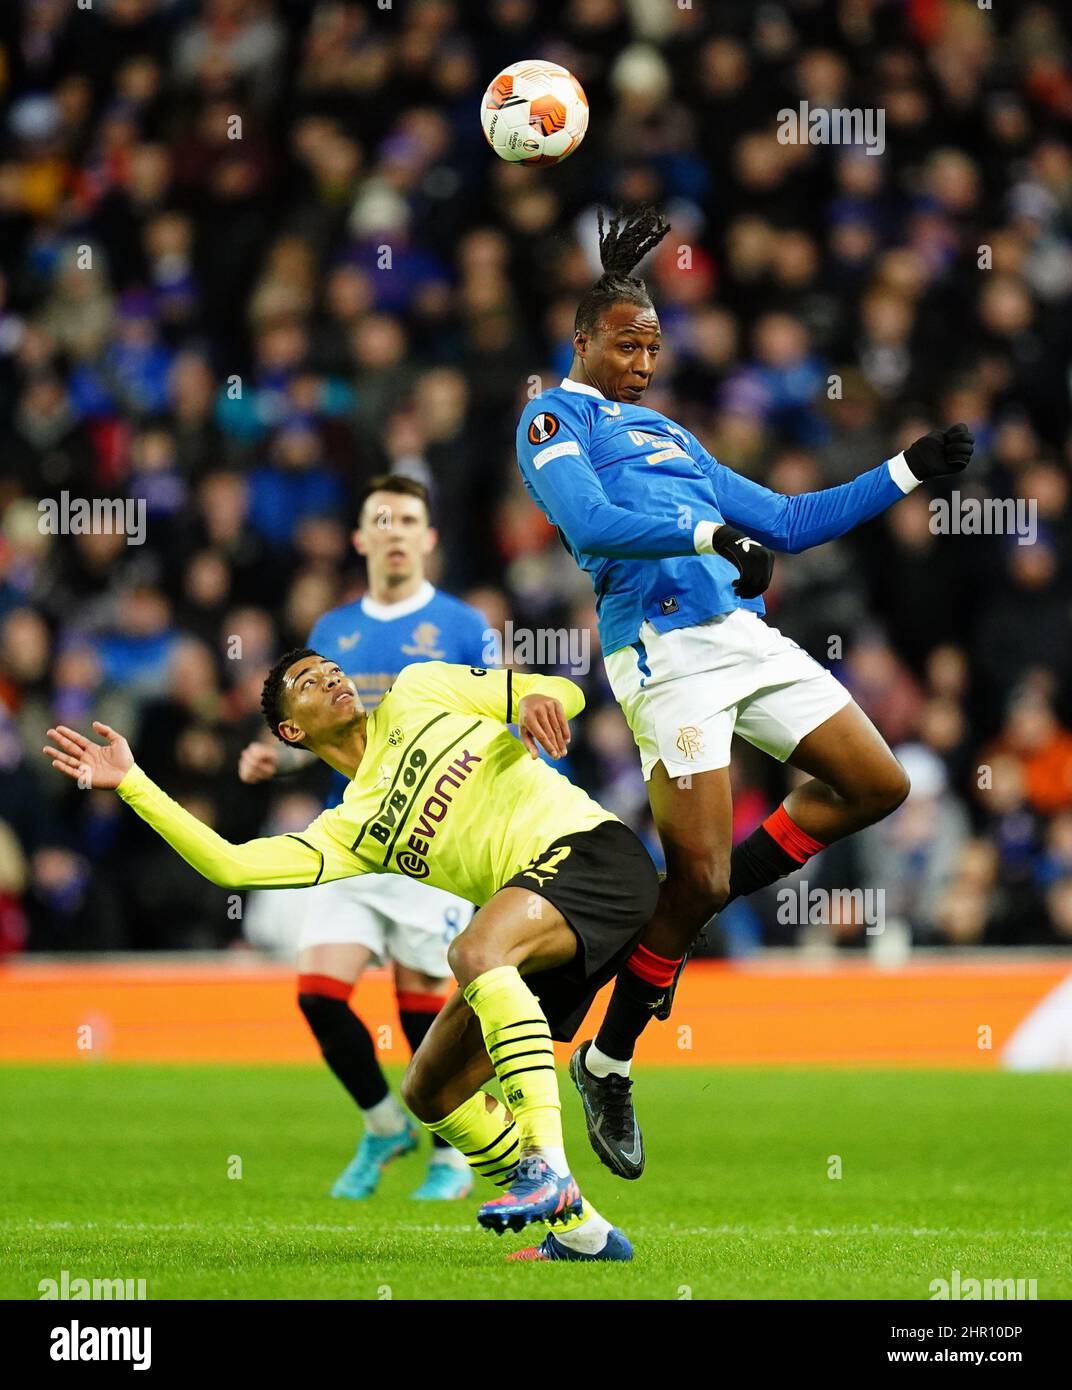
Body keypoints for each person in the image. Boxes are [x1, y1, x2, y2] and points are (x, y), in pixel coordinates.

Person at [516, 205, 975, 1180]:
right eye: (626, 343)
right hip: (661, 651)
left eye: (654, 346)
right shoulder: (555, 420)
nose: (643, 361)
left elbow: (785, 519)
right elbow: (593, 526)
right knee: (704, 879)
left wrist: (905, 468)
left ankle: (662, 934)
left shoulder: (667, 432)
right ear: (582, 341)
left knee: (875, 785)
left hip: (740, 633)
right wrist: (703, 540)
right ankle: (611, 1057)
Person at [43, 656, 659, 1263]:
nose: (331, 678)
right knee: (430, 1091)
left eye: (331, 669)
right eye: (307, 682)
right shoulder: (349, 829)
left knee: (473, 949)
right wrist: (132, 783)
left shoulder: (419, 691)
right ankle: (583, 1234)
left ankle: (545, 1165)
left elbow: (553, 688)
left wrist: (536, 699)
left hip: (593, 854)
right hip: (537, 913)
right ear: (292, 731)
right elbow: (230, 864)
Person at [238, 475, 487, 1202]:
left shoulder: (465, 624)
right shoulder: (332, 632)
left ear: (429, 537)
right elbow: (318, 733)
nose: (398, 531)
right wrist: (276, 755)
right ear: (362, 539)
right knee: (318, 994)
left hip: (428, 842)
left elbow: (494, 719)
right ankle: (384, 1125)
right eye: (384, 519)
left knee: (421, 1014)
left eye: (411, 519)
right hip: (353, 838)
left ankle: (454, 1154)